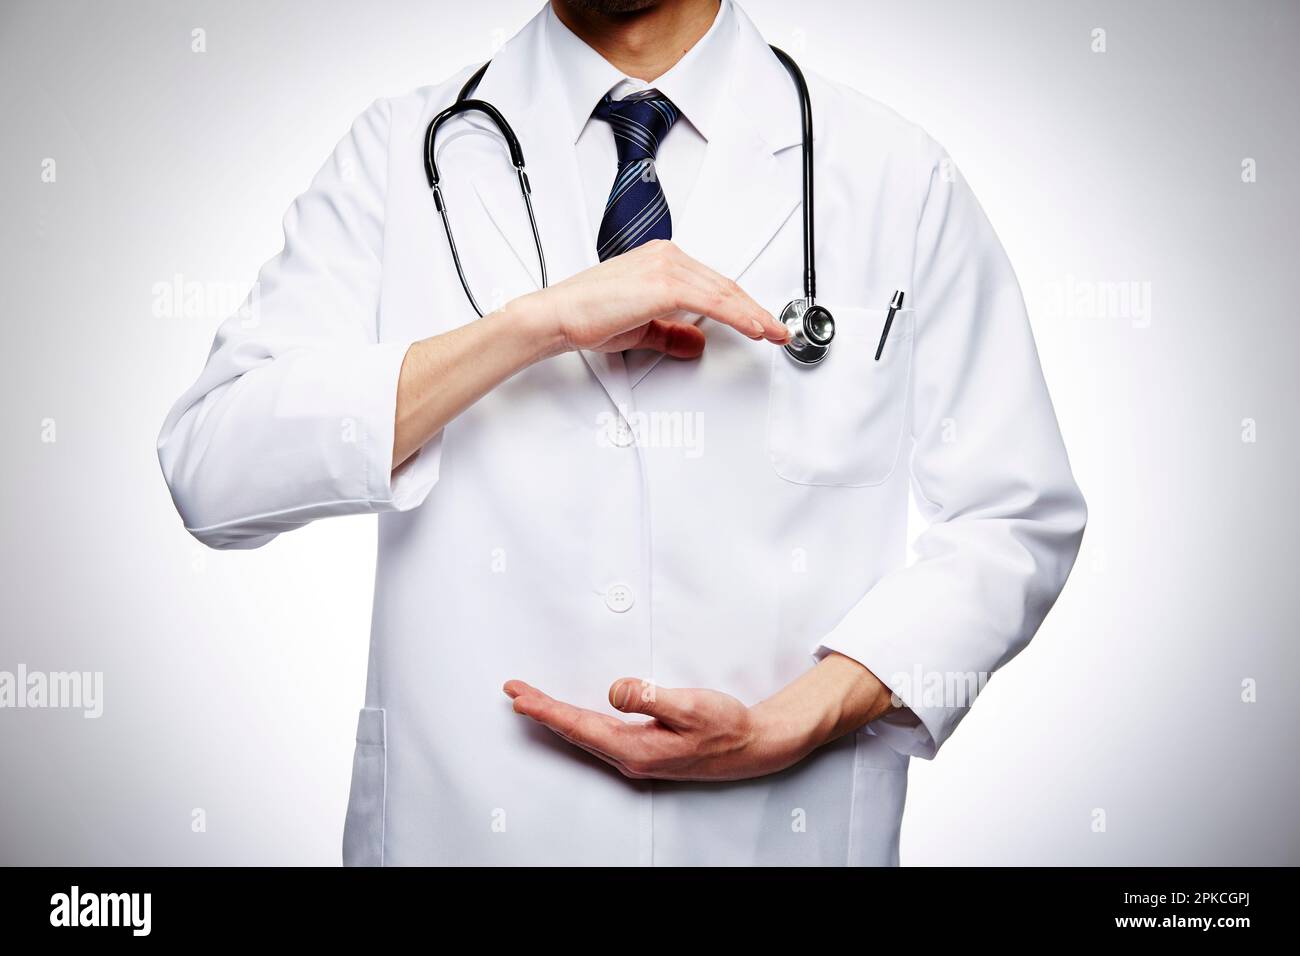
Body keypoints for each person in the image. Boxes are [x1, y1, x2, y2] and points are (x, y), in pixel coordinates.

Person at [158, 0, 1086, 866]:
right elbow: (214, 466)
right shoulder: (400, 154)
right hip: (465, 826)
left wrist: (797, 720)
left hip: (773, 832)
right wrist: (533, 327)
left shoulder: (892, 173)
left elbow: (1014, 516)